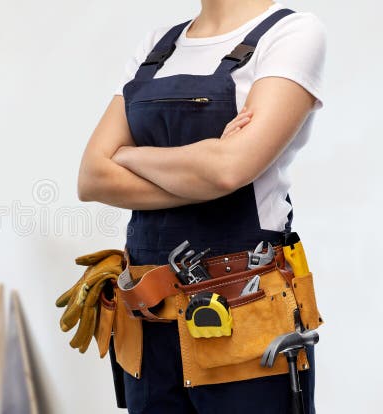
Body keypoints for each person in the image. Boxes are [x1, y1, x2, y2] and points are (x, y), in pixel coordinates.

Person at [78, 1, 325, 412]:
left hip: (245, 321)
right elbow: (91, 177)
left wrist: (128, 156)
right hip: (147, 324)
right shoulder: (157, 46)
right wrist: (206, 163)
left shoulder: (291, 33)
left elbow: (228, 171)